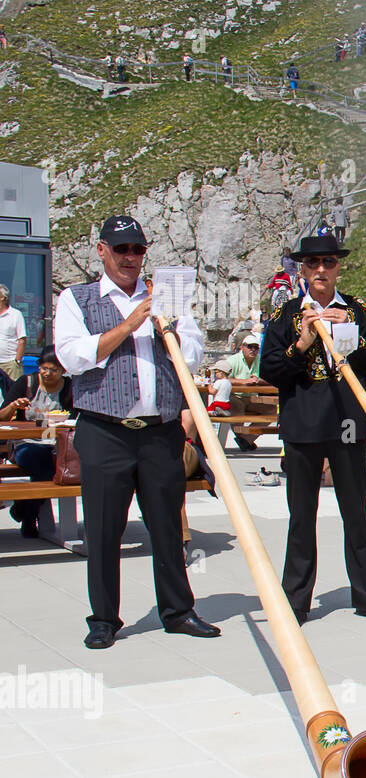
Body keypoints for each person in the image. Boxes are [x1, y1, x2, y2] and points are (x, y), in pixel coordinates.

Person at [53, 215, 220, 649]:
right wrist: (128, 325)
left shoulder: (166, 298)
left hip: (159, 430)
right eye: (121, 249)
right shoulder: (76, 298)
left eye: (138, 249)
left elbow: (194, 356)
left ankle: (178, 611)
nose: (130, 257)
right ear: (102, 250)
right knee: (104, 529)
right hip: (104, 429)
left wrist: (171, 328)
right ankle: (104, 618)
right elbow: (71, 357)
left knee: (167, 526)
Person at [260, 231, 366, 624]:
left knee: (355, 512)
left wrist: (352, 335)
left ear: (339, 268)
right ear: (302, 269)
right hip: (302, 424)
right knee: (302, 517)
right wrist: (301, 343)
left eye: (329, 262)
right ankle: (295, 600)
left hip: (348, 423)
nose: (321, 269)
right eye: (313, 263)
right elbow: (269, 369)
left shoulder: (358, 311)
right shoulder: (285, 315)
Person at [1, 346, 77, 537]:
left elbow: (76, 417)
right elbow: (2, 415)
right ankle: (28, 516)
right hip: (25, 443)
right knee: (43, 463)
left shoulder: (69, 387)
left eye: (53, 370)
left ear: (63, 370)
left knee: (56, 462)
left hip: (57, 443)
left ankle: (22, 508)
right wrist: (13, 406)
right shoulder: (27, 383)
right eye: (44, 368)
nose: (47, 373)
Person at [0, 284, 26, 381]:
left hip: (10, 363)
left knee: (13, 389)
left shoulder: (15, 314)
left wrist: (17, 361)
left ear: (3, 297)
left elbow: (22, 340)